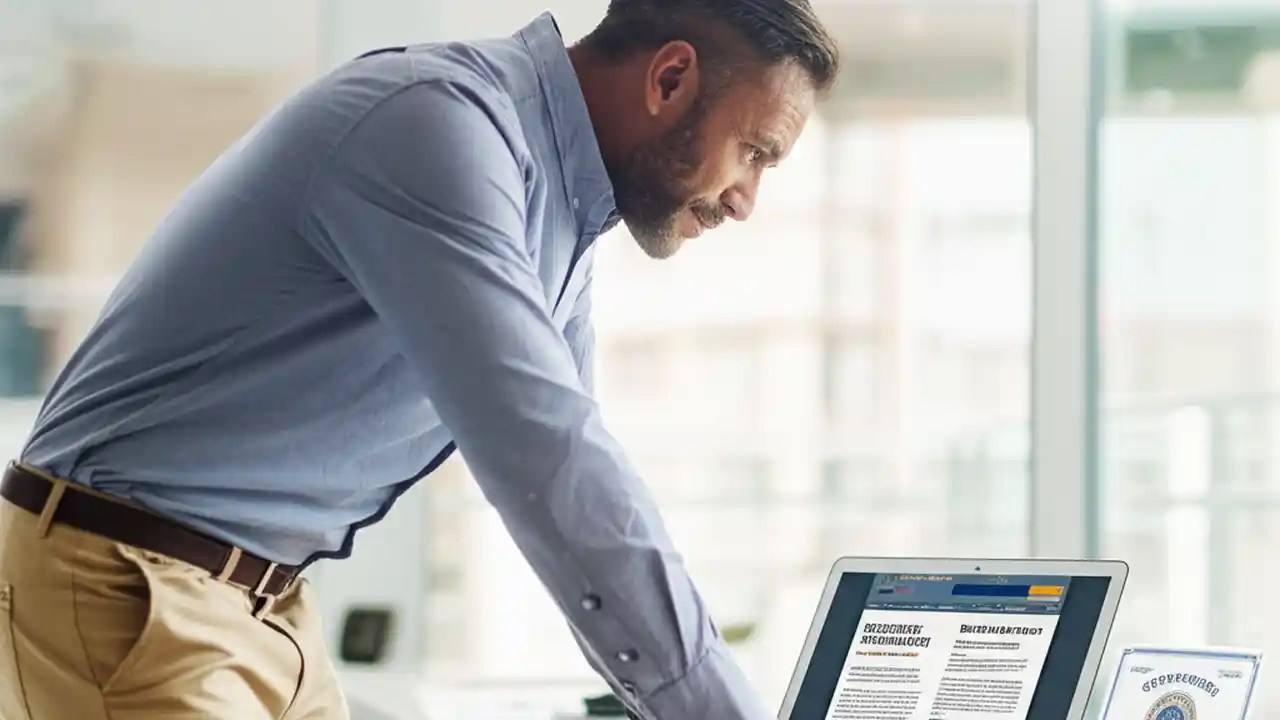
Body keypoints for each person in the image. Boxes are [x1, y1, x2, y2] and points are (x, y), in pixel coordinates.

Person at [0, 1, 839, 718]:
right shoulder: (437, 125)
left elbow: (586, 481)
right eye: (756, 152)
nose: (745, 199)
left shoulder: (562, 215)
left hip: (260, 604)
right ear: (669, 80)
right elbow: (549, 462)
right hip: (126, 586)